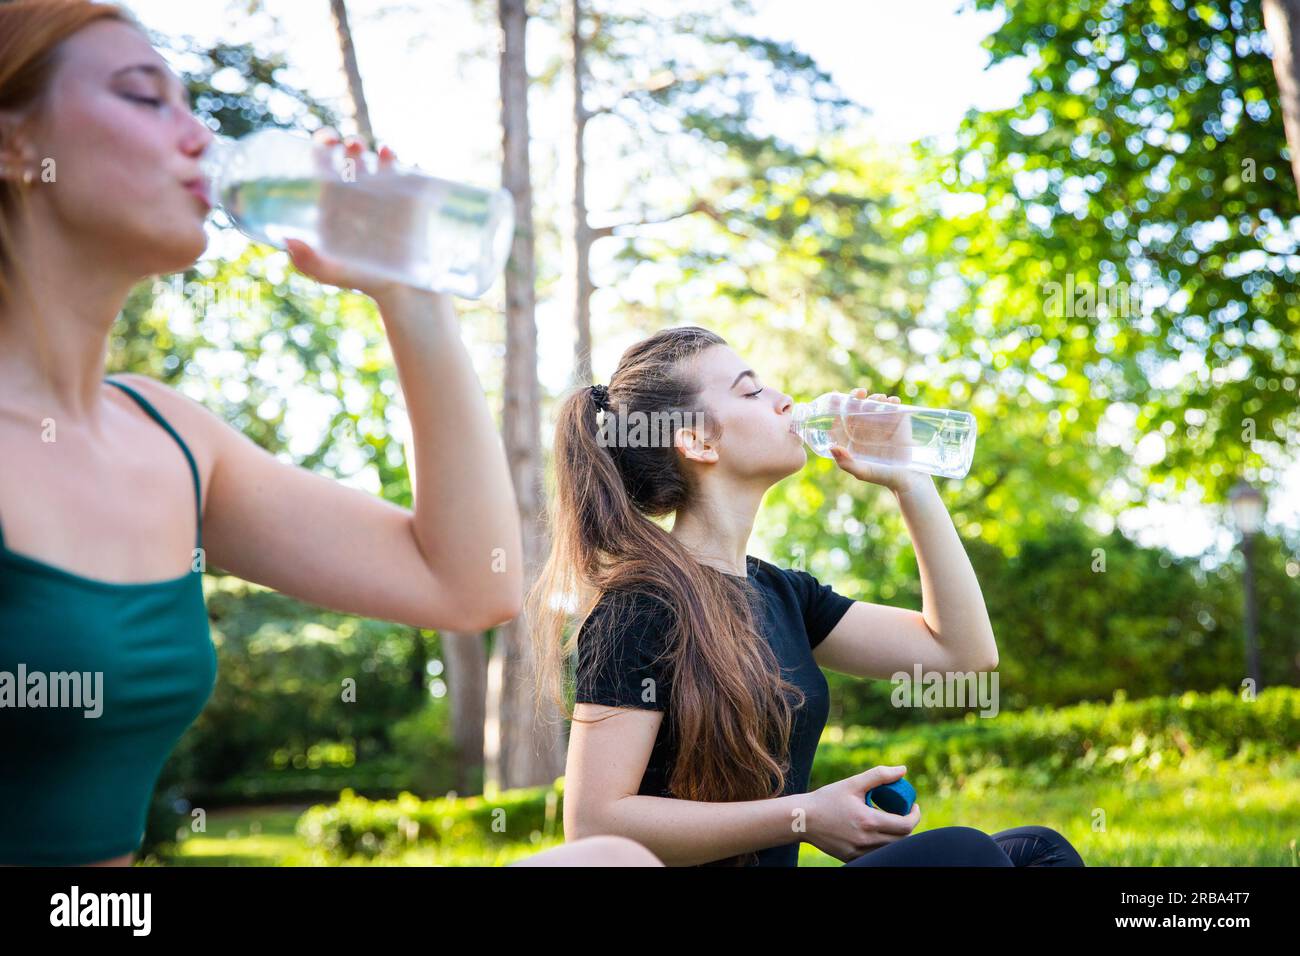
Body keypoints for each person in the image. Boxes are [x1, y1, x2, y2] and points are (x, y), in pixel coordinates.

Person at [0, 0, 659, 869]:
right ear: (15, 146)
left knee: (610, 863)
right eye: (144, 97)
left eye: (191, 102)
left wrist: (407, 290)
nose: (199, 135)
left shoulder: (170, 440)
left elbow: (471, 584)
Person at [526, 325, 1085, 867]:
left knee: (1039, 852)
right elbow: (595, 825)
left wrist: (909, 479)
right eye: (751, 390)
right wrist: (803, 816)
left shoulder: (783, 593)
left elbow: (961, 654)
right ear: (697, 440)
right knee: (962, 853)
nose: (784, 399)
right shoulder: (639, 608)